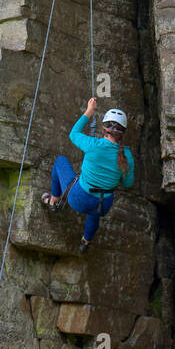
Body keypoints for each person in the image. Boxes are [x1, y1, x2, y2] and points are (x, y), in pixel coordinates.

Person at [42, 99, 135, 253]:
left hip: (79, 199)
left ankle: (54, 201)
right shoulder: (127, 155)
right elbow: (127, 183)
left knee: (60, 161)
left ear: (104, 128)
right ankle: (85, 241)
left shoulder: (93, 144)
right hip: (103, 204)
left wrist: (89, 111)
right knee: (95, 213)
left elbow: (73, 134)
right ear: (123, 133)